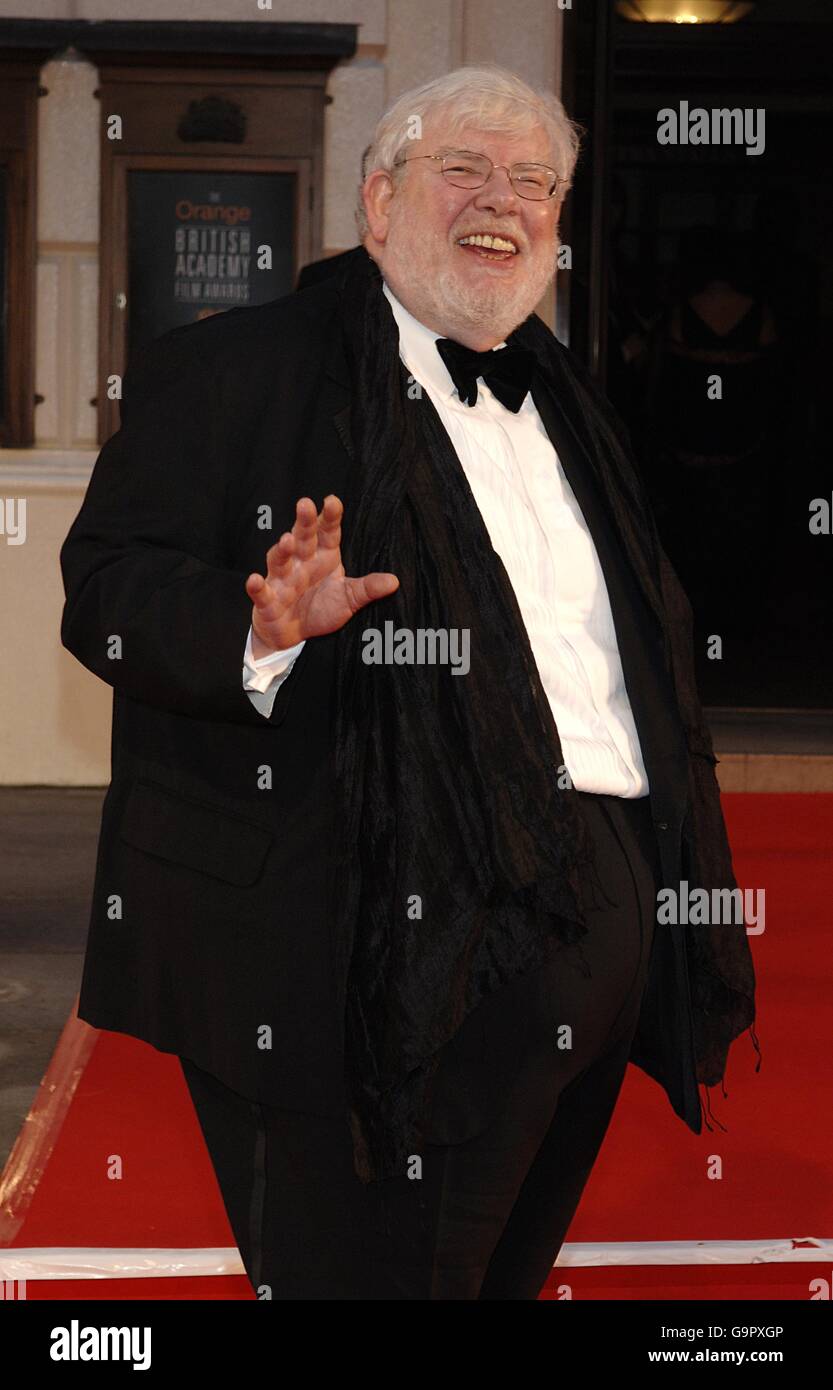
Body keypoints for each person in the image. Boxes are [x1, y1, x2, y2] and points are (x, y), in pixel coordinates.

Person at [59, 64, 758, 1301]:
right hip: (343, 955)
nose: (505, 199)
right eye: (465, 170)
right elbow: (104, 588)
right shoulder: (238, 370)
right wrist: (259, 626)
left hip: (590, 928)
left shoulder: (569, 398)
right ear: (376, 202)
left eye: (533, 181)